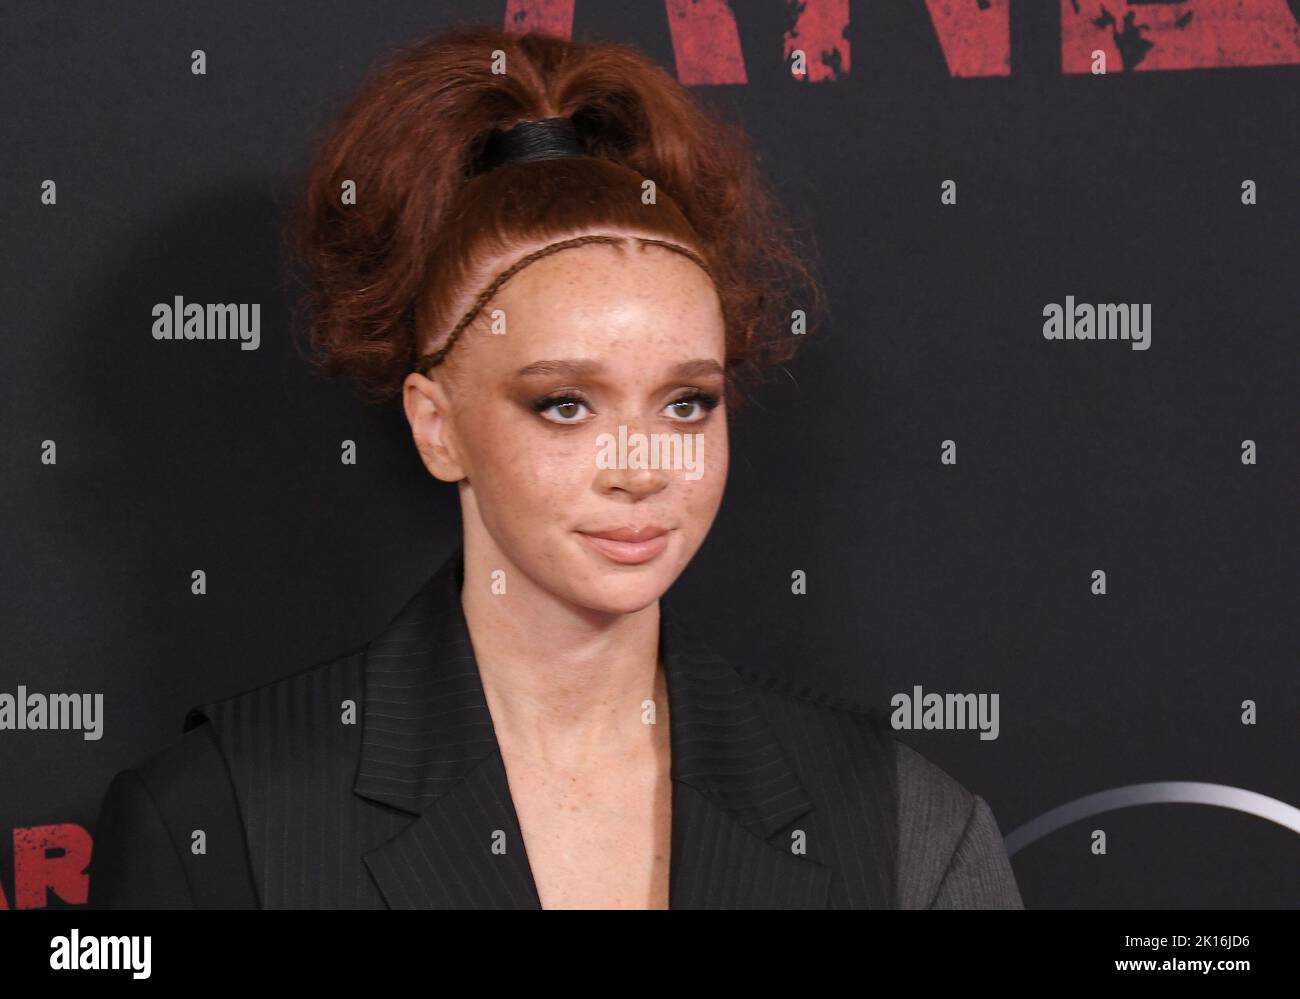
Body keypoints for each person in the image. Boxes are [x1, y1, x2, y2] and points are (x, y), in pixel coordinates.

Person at [89, 23, 1023, 910]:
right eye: (565, 404)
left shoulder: (905, 826)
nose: (641, 467)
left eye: (687, 401)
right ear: (435, 424)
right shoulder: (221, 820)